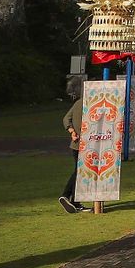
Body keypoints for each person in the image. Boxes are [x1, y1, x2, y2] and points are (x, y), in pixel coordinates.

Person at [58, 77, 84, 214]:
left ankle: (74, 200)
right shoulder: (86, 104)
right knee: (79, 172)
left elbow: (66, 119)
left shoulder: (78, 103)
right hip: (84, 144)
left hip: (75, 144)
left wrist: (72, 131)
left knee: (79, 172)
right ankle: (67, 195)